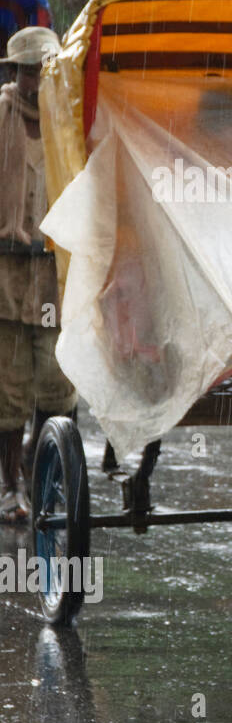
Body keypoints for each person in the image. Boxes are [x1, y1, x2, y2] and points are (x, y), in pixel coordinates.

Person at [0, 26, 78, 523]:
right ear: (15, 73)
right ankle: (9, 487)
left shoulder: (68, 117)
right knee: (8, 391)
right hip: (5, 279)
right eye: (27, 72)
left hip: (52, 279)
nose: (35, 82)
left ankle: (38, 465)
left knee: (56, 386)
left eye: (42, 71)